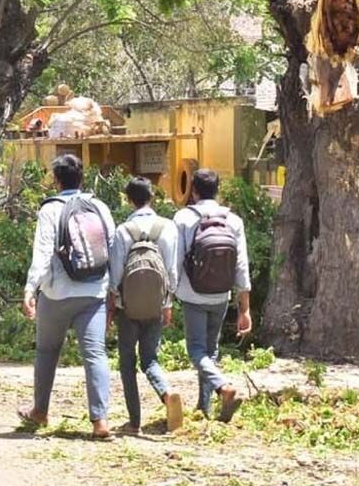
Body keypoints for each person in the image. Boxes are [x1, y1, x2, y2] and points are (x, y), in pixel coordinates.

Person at [20, 155, 115, 440]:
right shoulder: (99, 206)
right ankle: (100, 421)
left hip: (57, 294)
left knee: (47, 351)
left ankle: (40, 411)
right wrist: (114, 290)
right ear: (82, 178)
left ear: (57, 180)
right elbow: (113, 247)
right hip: (94, 292)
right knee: (95, 353)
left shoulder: (50, 209)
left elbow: (44, 252)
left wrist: (30, 289)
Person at [174, 169, 252, 423]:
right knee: (211, 350)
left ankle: (222, 387)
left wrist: (170, 294)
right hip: (220, 294)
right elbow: (241, 265)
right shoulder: (234, 220)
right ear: (218, 189)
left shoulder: (184, 218)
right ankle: (203, 407)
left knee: (196, 351)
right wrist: (245, 308)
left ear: (193, 191)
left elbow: (176, 260)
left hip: (193, 294)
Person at [108, 176, 182, 434]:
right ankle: (166, 392)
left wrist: (112, 306)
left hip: (127, 307)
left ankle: (134, 422)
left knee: (127, 362)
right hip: (156, 304)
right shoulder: (169, 227)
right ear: (152, 197)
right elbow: (172, 272)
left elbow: (115, 276)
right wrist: (168, 303)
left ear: (129, 200)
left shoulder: (122, 231)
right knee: (150, 359)